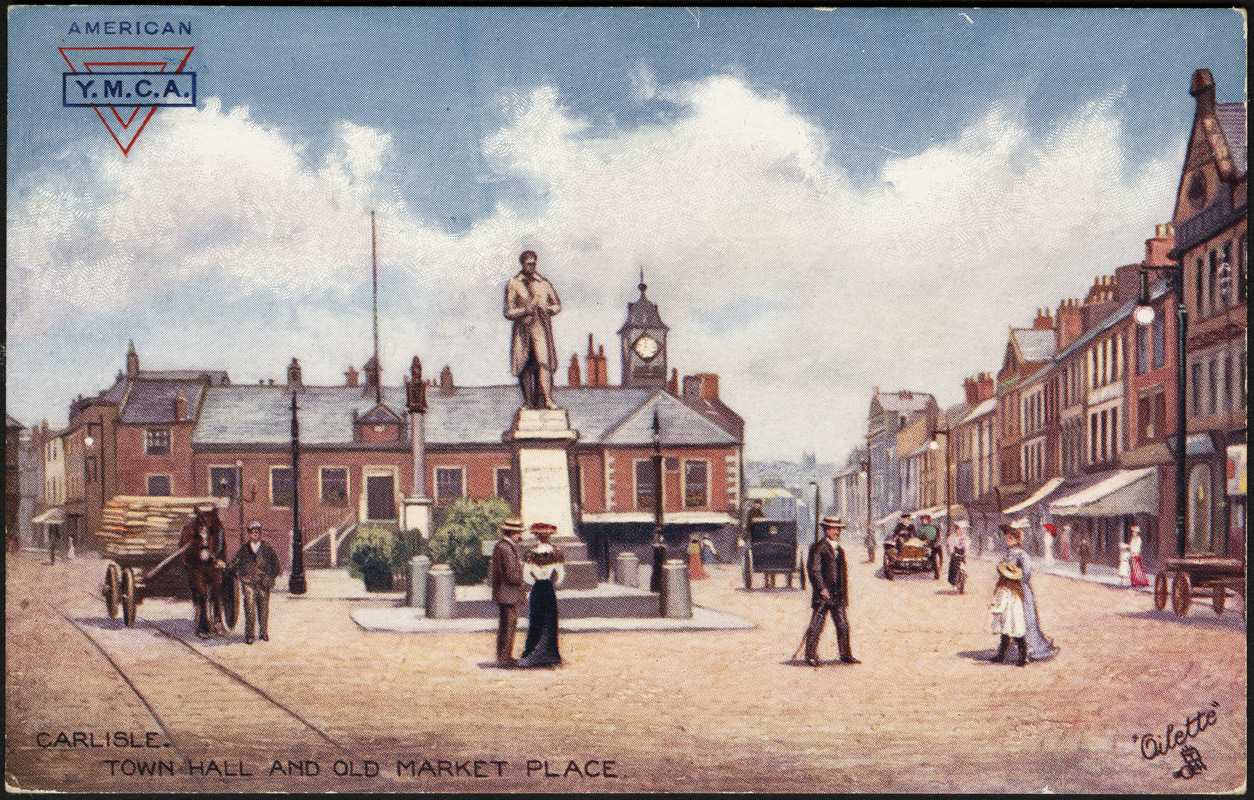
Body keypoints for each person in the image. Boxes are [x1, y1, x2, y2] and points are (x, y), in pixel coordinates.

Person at [503, 250, 562, 410]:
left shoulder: (544, 283)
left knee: (544, 363)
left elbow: (557, 305)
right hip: (522, 331)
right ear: (522, 264)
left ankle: (548, 400)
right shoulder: (514, 283)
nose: (532, 266)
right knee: (524, 365)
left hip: (541, 329)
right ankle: (528, 402)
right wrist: (525, 310)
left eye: (534, 263)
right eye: (529, 263)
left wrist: (547, 308)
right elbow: (508, 312)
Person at [804, 516, 859, 667]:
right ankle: (810, 655)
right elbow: (814, 570)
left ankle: (846, 654)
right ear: (826, 530)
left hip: (837, 595)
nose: (837, 532)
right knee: (817, 625)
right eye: (834, 529)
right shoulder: (818, 547)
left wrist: (843, 594)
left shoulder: (839, 550)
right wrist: (822, 589)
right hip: (823, 595)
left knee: (843, 625)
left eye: (839, 529)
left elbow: (842, 575)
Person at [1000, 524, 1058, 662]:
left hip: (1021, 590)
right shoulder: (1009, 553)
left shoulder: (1022, 554)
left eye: (1010, 537)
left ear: (1016, 539)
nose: (1007, 539)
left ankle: (1029, 649)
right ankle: (1007, 651)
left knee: (1025, 618)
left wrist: (1015, 579)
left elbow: (1026, 574)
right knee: (1009, 619)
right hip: (1010, 589)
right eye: (1007, 536)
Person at [518, 522, 564, 668]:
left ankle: (532, 650)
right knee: (550, 619)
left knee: (536, 619)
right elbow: (561, 575)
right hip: (548, 588)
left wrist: (536, 583)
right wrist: (551, 584)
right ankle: (550, 652)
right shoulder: (556, 552)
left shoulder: (531, 553)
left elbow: (526, 575)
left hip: (537, 588)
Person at [230, 521, 281, 644]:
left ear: (260, 533)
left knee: (263, 609)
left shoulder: (267, 548)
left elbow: (276, 566)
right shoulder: (244, 549)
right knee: (249, 609)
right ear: (249, 534)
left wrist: (270, 578)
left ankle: (263, 633)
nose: (254, 535)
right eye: (252, 533)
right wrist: (226, 566)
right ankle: (250, 635)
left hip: (264, 584)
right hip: (249, 584)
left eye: (257, 532)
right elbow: (234, 563)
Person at [489, 518, 528, 667]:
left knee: (508, 624)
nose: (520, 536)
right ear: (512, 532)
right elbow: (511, 574)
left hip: (506, 593)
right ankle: (504, 658)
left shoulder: (504, 546)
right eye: (518, 533)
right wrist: (524, 575)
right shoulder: (505, 547)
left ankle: (505, 656)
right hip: (507, 593)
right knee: (508, 625)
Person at [988, 562, 1028, 666]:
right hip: (1017, 617)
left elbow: (1001, 605)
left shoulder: (1003, 589)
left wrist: (993, 608)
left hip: (1008, 617)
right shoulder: (1017, 589)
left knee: (1007, 636)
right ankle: (1021, 658)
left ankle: (1003, 657)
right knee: (1018, 637)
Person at [947, 520, 970, 586]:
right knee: (953, 566)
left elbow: (967, 546)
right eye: (959, 529)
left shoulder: (966, 538)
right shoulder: (952, 537)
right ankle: (953, 580)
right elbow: (951, 546)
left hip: (962, 554)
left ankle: (964, 577)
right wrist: (952, 552)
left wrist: (966, 553)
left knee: (964, 564)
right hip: (955, 554)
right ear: (956, 530)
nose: (961, 531)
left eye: (962, 529)